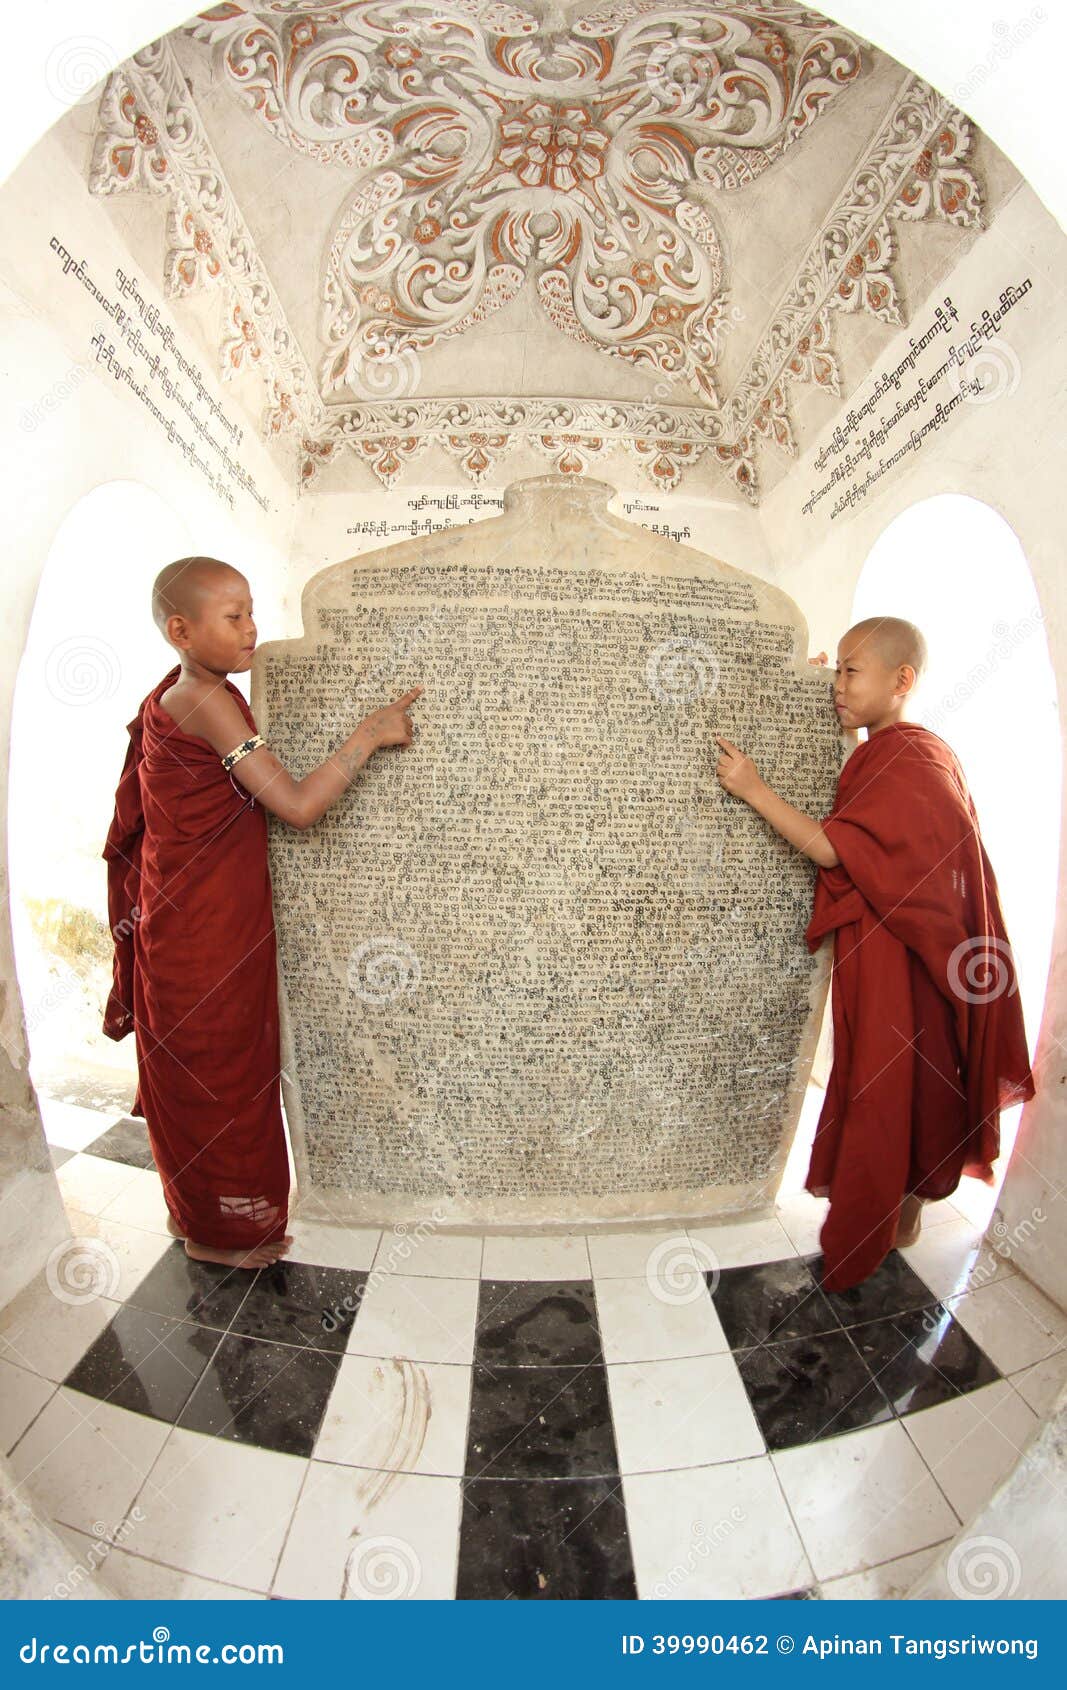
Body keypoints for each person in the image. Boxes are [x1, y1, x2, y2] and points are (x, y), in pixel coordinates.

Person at [102, 555, 423, 1269]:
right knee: (224, 1079)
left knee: (200, 1075)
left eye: (251, 611)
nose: (252, 630)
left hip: (187, 918)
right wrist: (368, 735)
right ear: (181, 631)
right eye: (234, 617)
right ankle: (228, 1237)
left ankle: (199, 1216)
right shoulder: (205, 700)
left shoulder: (186, 690)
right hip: (206, 933)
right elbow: (299, 806)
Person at [714, 617, 1035, 1291]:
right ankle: (900, 1213)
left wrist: (752, 790)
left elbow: (834, 849)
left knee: (890, 1089)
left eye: (850, 672)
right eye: (836, 671)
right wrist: (802, 686)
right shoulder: (893, 750)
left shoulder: (909, 759)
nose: (837, 685)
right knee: (897, 1085)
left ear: (901, 681)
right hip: (895, 950)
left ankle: (882, 1224)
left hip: (908, 959)